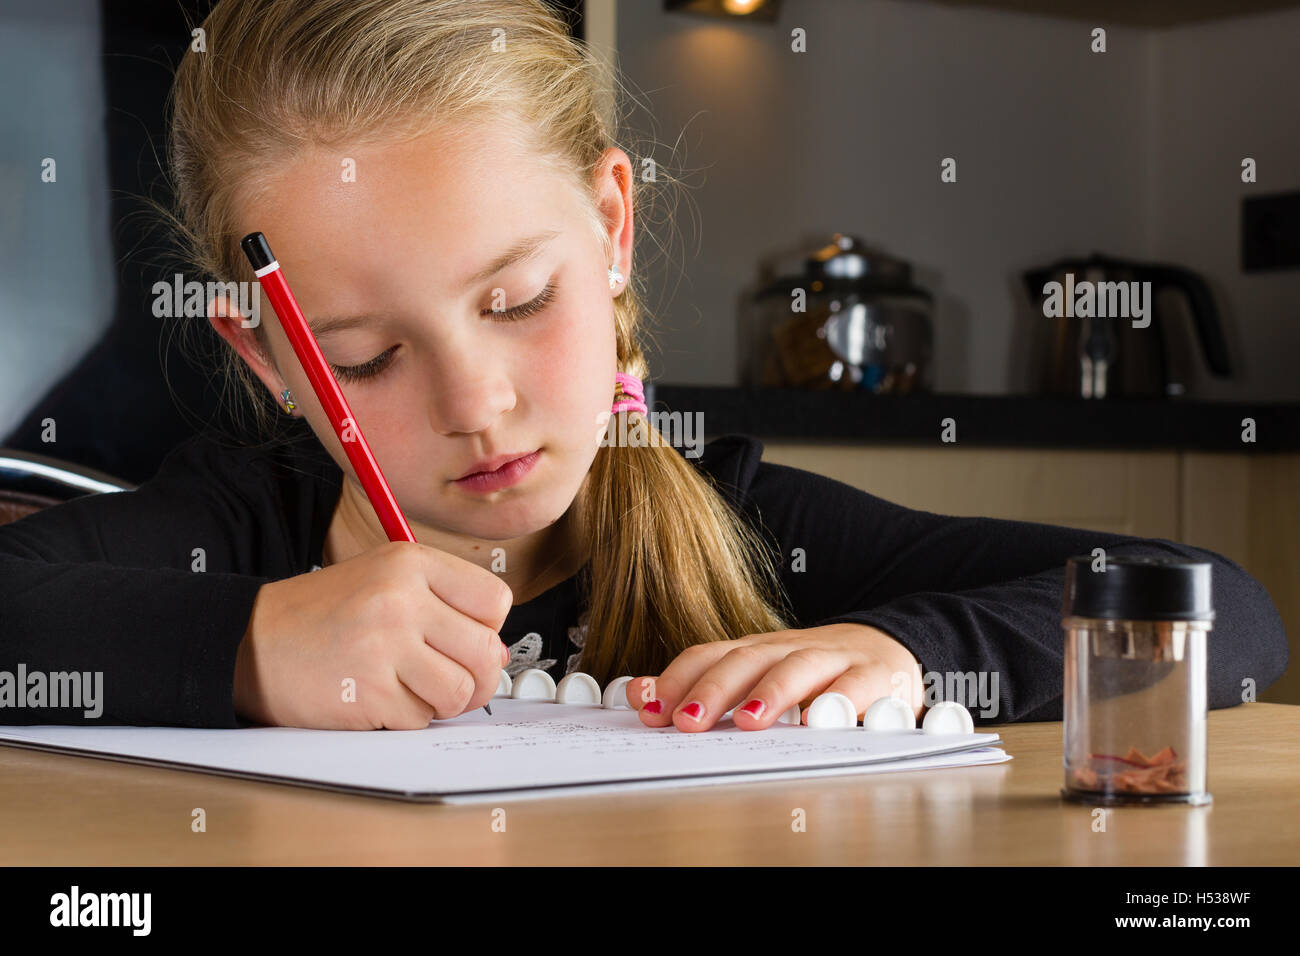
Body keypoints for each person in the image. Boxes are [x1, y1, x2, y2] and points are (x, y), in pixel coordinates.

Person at [0, 0, 1287, 732]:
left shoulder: (744, 533)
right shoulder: (234, 527)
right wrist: (249, 643)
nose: (476, 403)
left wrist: (914, 652)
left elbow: (1220, 602)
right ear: (268, 355)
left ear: (611, 227)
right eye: (368, 355)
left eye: (515, 299)